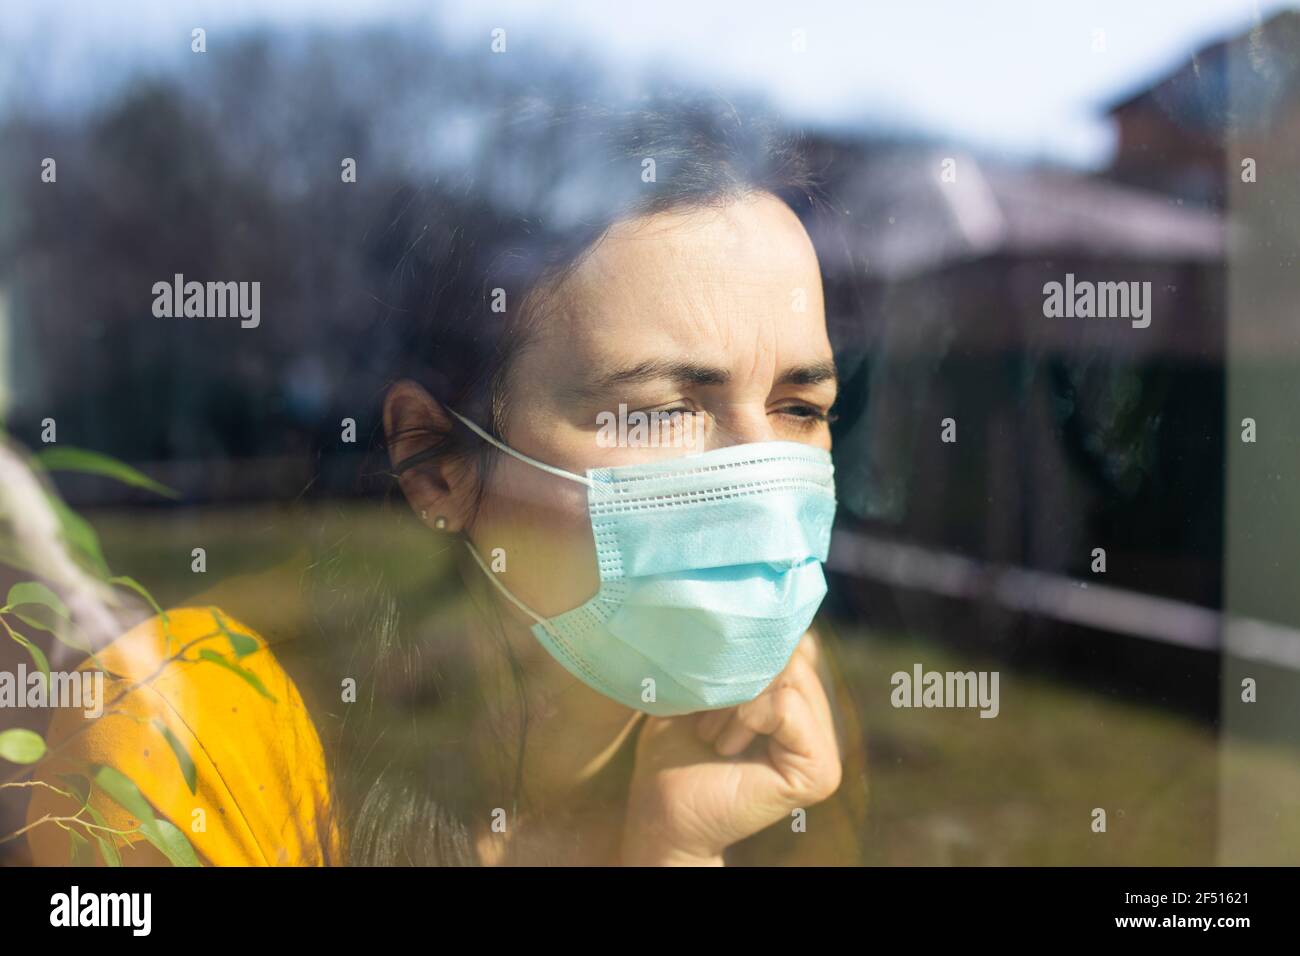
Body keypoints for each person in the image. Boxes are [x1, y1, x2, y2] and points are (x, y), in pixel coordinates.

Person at [25, 96, 869, 866]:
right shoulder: (198, 738)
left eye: (800, 408)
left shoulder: (779, 748)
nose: (762, 480)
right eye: (658, 411)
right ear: (436, 465)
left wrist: (676, 849)